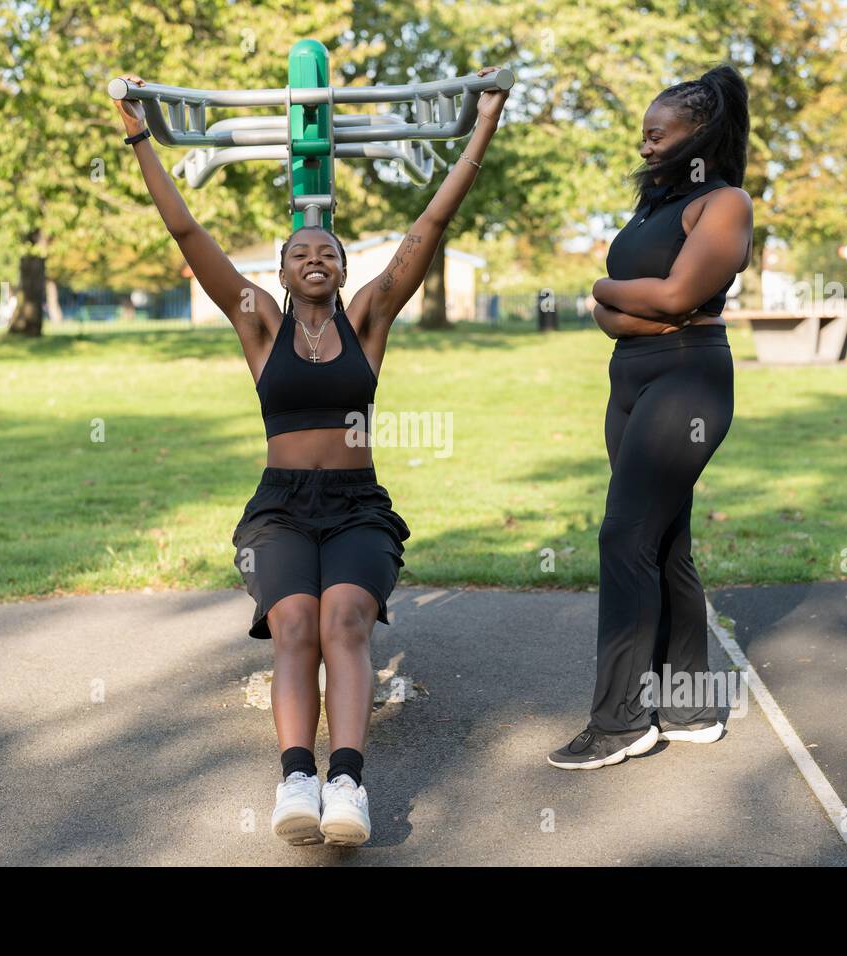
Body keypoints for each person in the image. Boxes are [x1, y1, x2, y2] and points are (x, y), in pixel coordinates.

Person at [112, 69, 508, 843]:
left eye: (328, 250)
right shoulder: (259, 323)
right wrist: (136, 135)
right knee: (294, 622)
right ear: (284, 272)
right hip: (281, 509)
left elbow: (427, 227)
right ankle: (297, 778)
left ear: (344, 269)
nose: (316, 257)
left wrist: (482, 127)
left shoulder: (368, 320)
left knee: (346, 619)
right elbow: (188, 235)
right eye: (302, 252)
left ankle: (349, 786)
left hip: (358, 507)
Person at [548, 65, 753, 770]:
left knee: (623, 537)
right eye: (643, 134)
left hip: (688, 378)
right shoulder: (655, 207)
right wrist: (629, 307)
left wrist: (605, 290)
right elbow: (632, 313)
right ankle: (691, 709)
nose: (644, 146)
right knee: (664, 541)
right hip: (630, 378)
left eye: (656, 134)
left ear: (701, 133)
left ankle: (619, 723)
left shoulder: (724, 204)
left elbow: (672, 299)